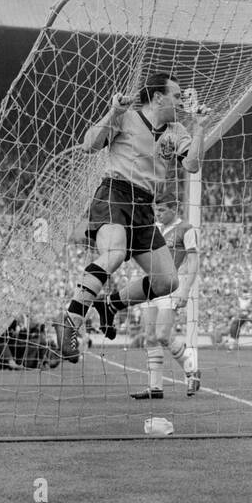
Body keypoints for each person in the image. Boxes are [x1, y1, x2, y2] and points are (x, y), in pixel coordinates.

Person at [59, 72, 207, 363]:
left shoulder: (177, 130)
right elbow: (89, 145)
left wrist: (200, 128)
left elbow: (191, 165)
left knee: (168, 282)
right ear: (158, 97)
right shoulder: (126, 118)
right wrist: (113, 112)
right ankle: (71, 320)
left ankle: (110, 306)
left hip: (144, 206)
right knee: (113, 254)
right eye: (176, 96)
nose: (180, 101)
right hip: (115, 193)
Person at [128, 202, 202, 399]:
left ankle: (191, 369)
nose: (157, 213)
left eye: (162, 210)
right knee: (150, 336)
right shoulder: (155, 228)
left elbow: (194, 260)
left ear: (174, 209)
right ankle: (155, 388)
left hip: (170, 286)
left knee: (162, 334)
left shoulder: (185, 229)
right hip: (150, 286)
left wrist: (186, 289)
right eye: (156, 210)